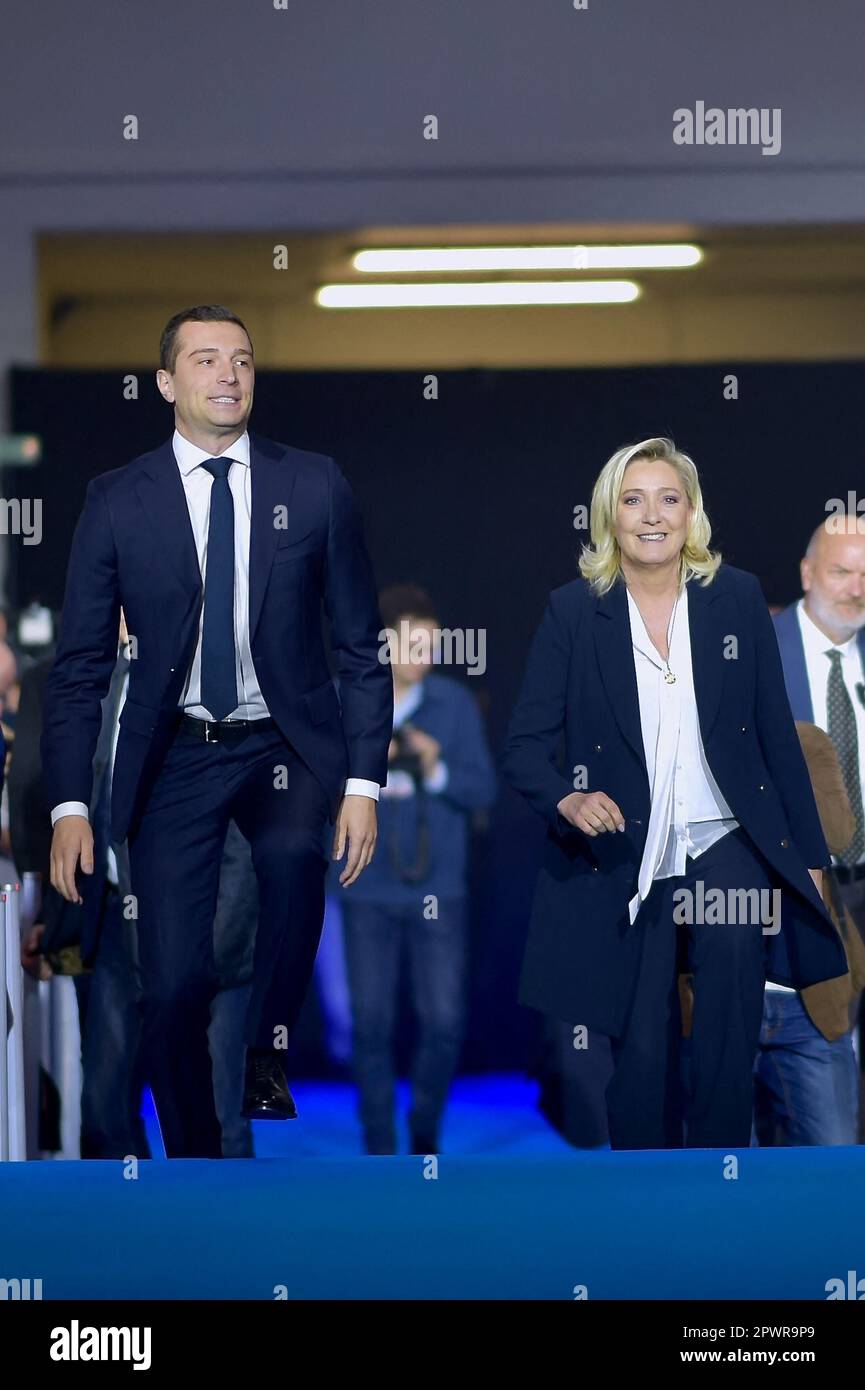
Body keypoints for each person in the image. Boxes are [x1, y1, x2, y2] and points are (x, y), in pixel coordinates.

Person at [41, 304, 392, 1158]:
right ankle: (196, 1154)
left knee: (287, 856)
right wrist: (68, 808)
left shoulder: (312, 485)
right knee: (173, 984)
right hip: (175, 753)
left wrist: (362, 783)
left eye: (241, 359)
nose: (228, 374)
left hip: (286, 742)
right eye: (205, 360)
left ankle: (264, 1053)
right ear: (168, 383)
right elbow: (80, 667)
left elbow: (358, 646)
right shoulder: (118, 501)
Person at [501, 436, 848, 1150]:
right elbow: (524, 749)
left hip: (726, 836)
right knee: (641, 1048)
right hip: (628, 848)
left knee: (727, 1004)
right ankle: (645, 1195)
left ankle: (719, 1174)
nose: (651, 515)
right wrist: (567, 800)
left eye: (667, 498)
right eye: (633, 500)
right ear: (608, 516)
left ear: (691, 514)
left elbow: (776, 743)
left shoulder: (736, 597)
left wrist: (808, 858)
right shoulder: (574, 611)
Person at [336, 584, 496, 1153]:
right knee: (371, 1025)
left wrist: (435, 765)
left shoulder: (451, 705)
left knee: (445, 1020)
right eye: (412, 645)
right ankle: (378, 1143)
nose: (423, 657)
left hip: (439, 891)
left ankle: (424, 1127)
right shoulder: (349, 700)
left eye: (431, 645)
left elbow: (484, 789)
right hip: (366, 888)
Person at [771, 517, 865, 1138]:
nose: (857, 588)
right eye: (842, 571)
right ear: (807, 574)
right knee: (806, 1099)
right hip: (803, 898)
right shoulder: (757, 653)